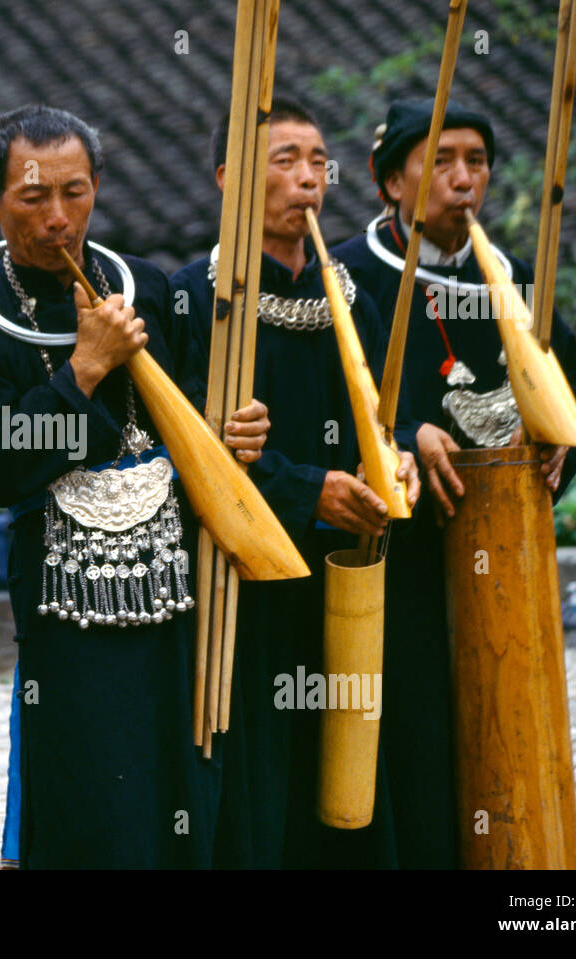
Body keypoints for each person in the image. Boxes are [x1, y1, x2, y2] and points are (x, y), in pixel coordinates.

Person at [0, 104, 269, 868]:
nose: (58, 218)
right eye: (32, 197)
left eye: (75, 193)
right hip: (60, 595)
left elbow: (189, 425)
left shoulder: (146, 286)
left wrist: (232, 434)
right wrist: (84, 370)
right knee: (83, 779)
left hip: (172, 580)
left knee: (179, 771)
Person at [331, 97, 576, 867]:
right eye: (440, 161)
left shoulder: (515, 281)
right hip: (405, 563)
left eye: (475, 162)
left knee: (504, 731)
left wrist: (555, 447)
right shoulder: (349, 278)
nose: (462, 179)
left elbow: (565, 397)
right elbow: (331, 401)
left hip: (505, 566)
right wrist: (408, 431)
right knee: (418, 738)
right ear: (390, 181)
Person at [171, 99, 419, 868]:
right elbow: (186, 454)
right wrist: (305, 487)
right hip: (242, 587)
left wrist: (399, 458)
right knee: (258, 778)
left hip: (343, 582)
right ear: (227, 180)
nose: (307, 178)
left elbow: (390, 417)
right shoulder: (192, 301)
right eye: (284, 160)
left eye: (317, 160)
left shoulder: (356, 300)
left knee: (344, 770)